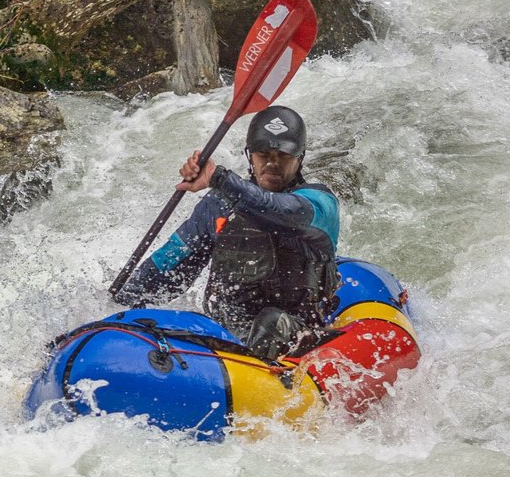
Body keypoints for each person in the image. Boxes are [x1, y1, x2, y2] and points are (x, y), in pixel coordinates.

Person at [112, 105, 340, 359]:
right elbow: (170, 264)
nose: (272, 163)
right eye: (263, 154)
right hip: (225, 338)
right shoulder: (219, 205)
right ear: (249, 156)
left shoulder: (319, 204)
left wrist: (218, 178)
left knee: (272, 323)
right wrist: (118, 307)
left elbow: (277, 209)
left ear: (300, 158)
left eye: (283, 155)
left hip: (297, 334)